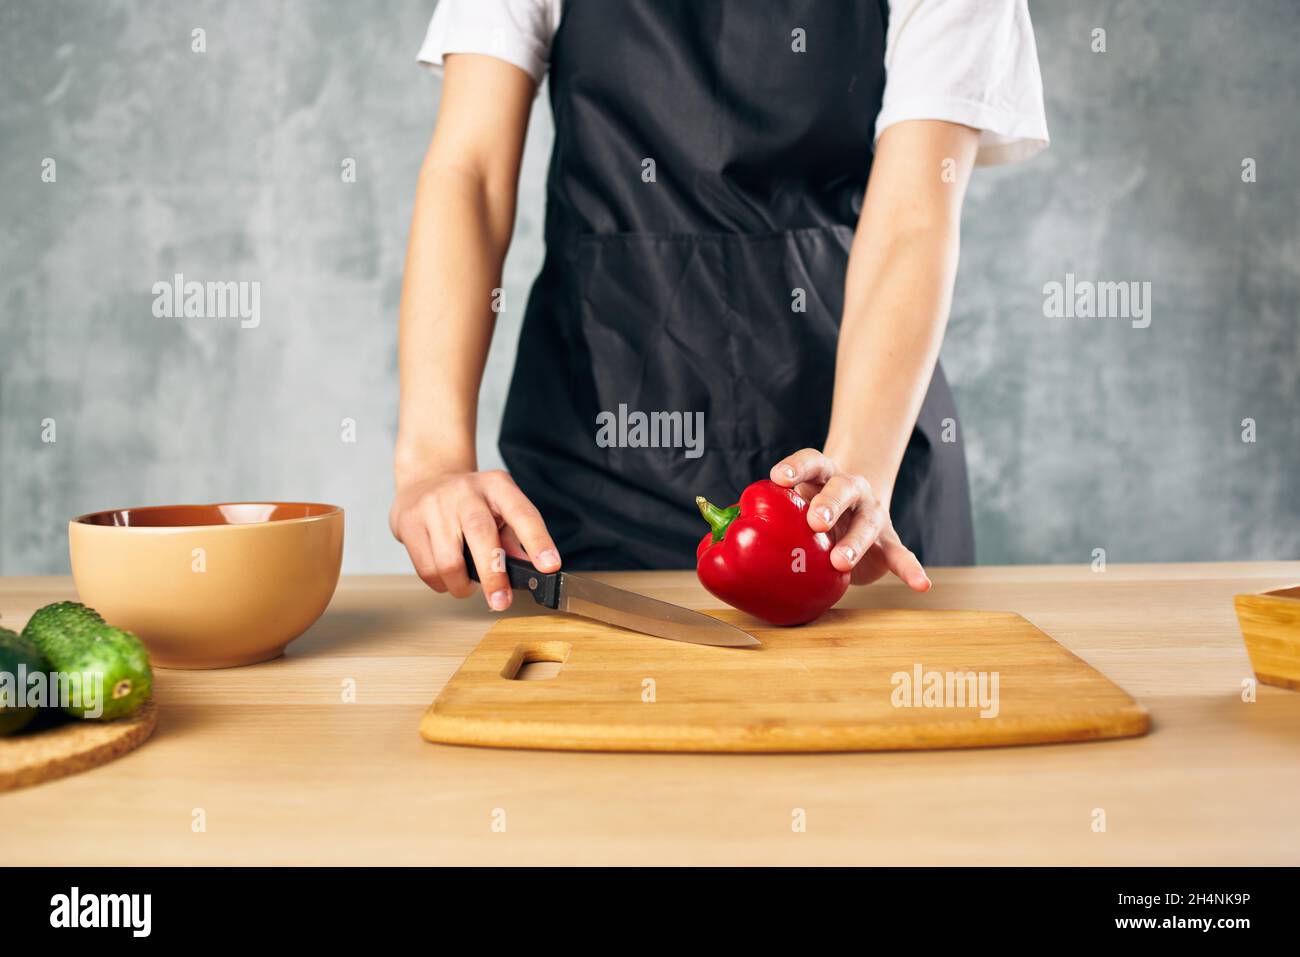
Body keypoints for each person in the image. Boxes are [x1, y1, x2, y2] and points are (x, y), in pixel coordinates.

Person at [391, 0, 1048, 611]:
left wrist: (848, 482)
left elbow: (914, 215)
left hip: (863, 483)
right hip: (589, 476)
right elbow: (469, 173)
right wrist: (432, 462)